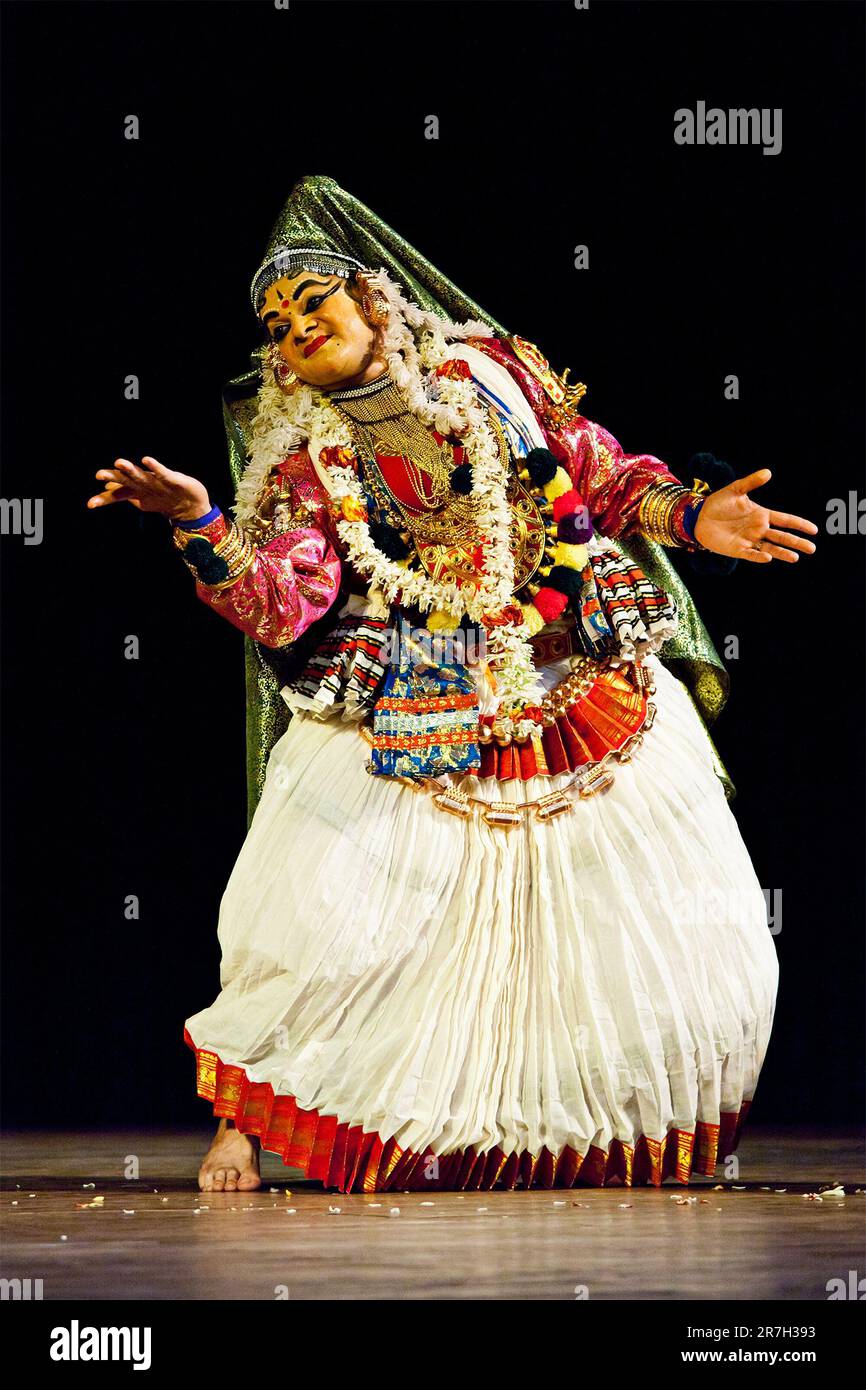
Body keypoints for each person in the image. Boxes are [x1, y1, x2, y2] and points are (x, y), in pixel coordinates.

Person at [88, 176, 817, 1195]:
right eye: (275, 321)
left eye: (312, 300)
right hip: (420, 666)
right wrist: (204, 525)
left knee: (659, 923)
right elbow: (284, 604)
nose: (295, 326)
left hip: (571, 655)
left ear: (375, 296)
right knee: (313, 911)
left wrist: (696, 520)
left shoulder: (486, 373)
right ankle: (243, 1122)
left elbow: (593, 472)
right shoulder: (306, 456)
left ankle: (582, 1132)